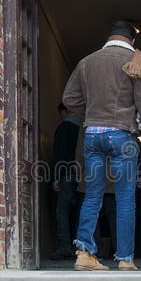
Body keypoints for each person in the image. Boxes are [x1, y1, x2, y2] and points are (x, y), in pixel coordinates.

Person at [62, 20, 141, 271]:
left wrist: (92, 113)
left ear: (109, 37)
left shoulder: (87, 62)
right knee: (125, 199)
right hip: (122, 136)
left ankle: (84, 253)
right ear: (132, 40)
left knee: (92, 195)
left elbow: (69, 98)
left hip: (92, 135)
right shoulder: (138, 61)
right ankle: (125, 259)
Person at [50, 102, 82, 259]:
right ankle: (82, 247)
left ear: (65, 111)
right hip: (84, 174)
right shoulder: (84, 127)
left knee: (62, 210)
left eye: (60, 113)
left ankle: (64, 246)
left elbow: (59, 153)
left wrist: (56, 178)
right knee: (83, 210)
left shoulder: (64, 128)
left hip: (66, 174)